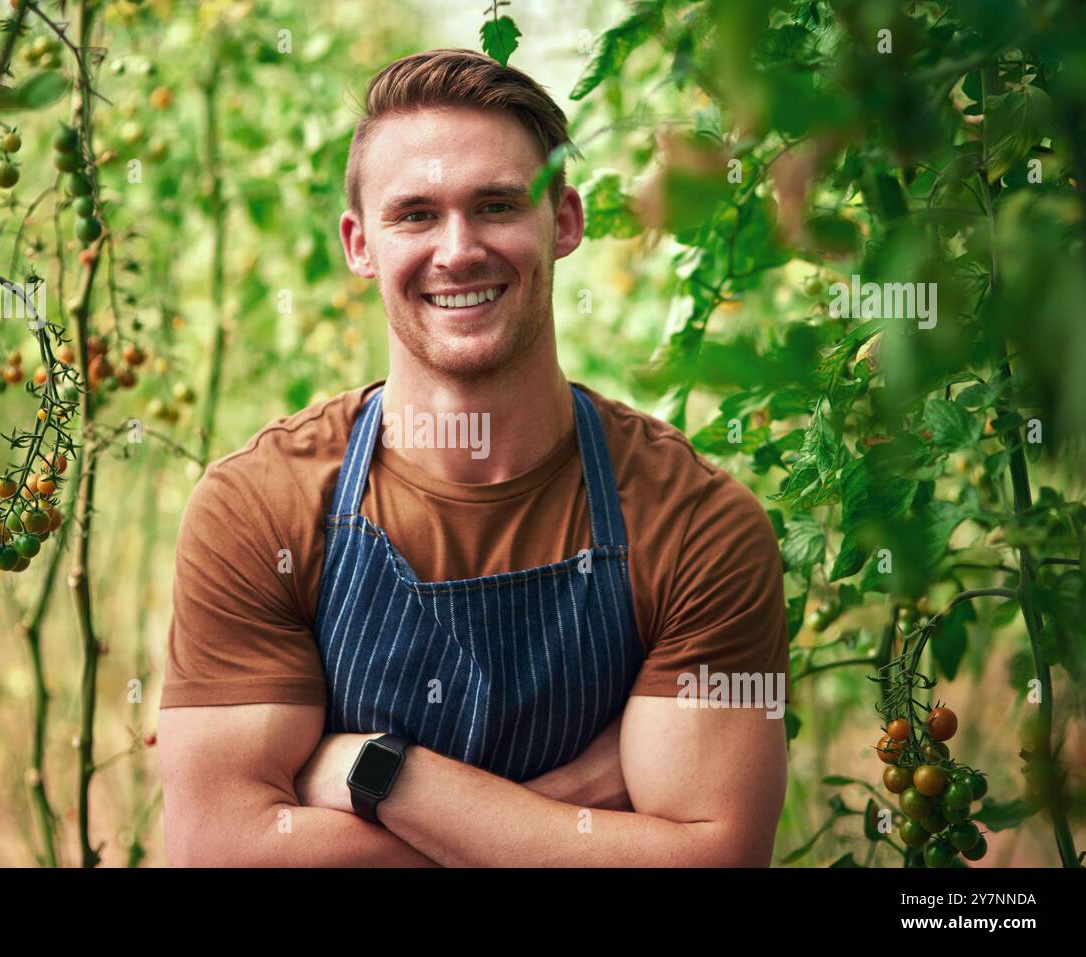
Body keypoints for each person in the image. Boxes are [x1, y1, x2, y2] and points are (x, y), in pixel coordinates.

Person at [158, 48, 788, 867]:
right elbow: (219, 849)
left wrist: (379, 774)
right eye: (415, 214)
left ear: (564, 220)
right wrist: (558, 821)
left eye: (495, 205)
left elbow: (713, 860)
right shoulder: (259, 507)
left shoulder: (697, 524)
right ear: (359, 244)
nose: (458, 250)